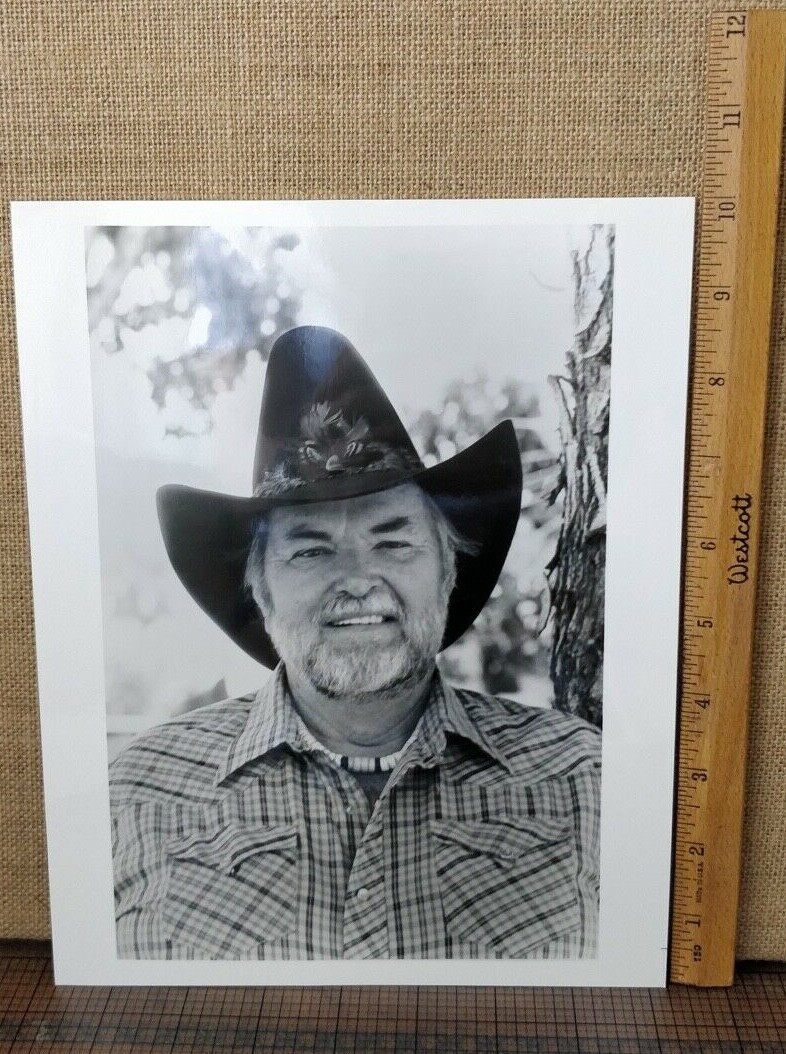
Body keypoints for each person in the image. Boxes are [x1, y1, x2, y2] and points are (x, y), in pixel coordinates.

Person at [110, 325, 601, 960]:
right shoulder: (136, 795)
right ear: (260, 590)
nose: (357, 580)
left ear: (448, 572)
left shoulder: (583, 780)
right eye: (311, 550)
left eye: (393, 542)